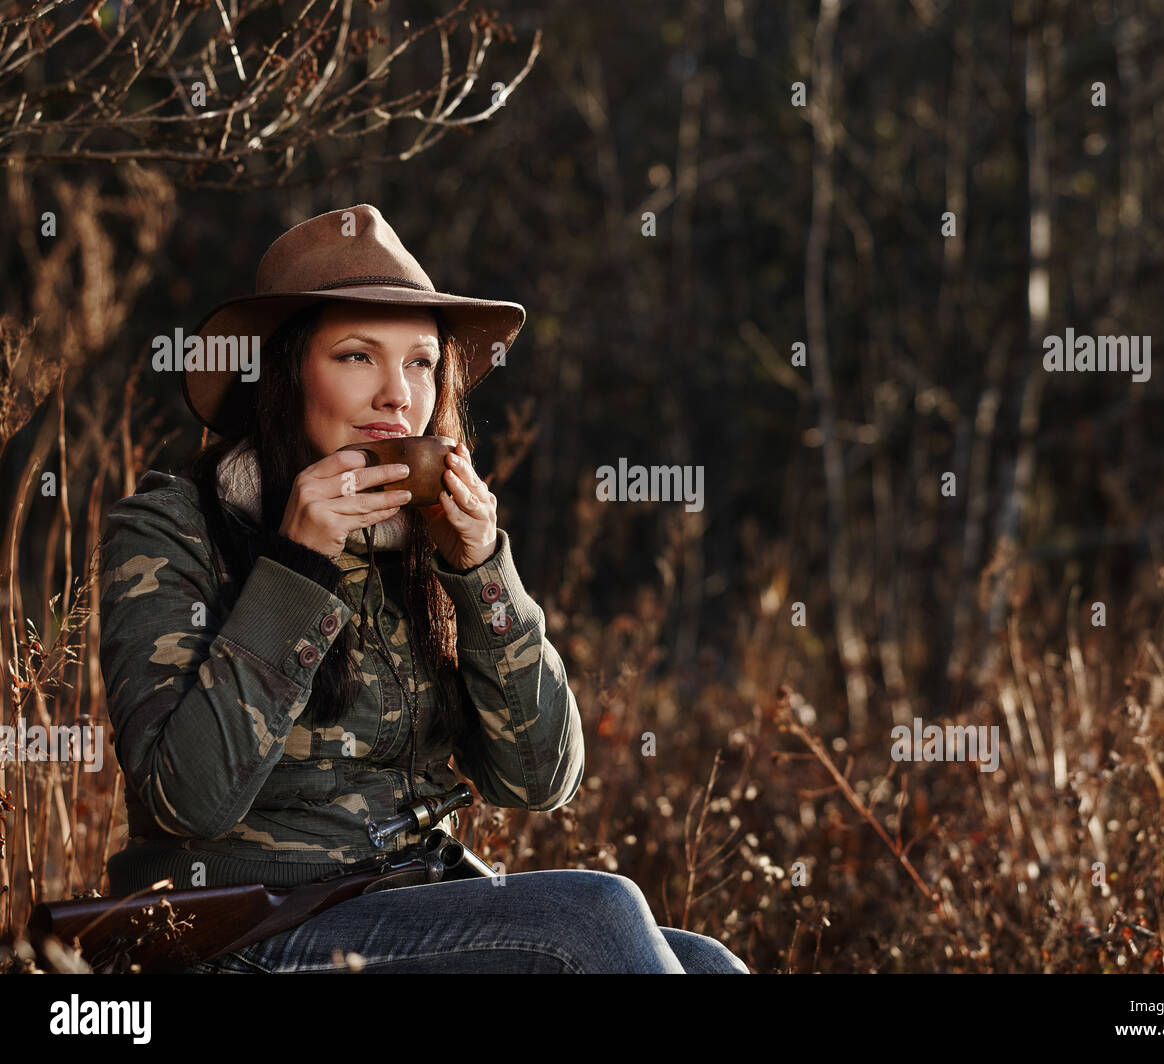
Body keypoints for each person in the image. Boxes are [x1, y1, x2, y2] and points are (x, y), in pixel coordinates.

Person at [97, 204, 749, 974]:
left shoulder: (424, 541)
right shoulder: (176, 527)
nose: (397, 396)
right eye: (356, 357)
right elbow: (188, 802)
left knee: (709, 963)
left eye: (420, 362)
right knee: (596, 917)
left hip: (411, 902)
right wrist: (297, 567)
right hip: (236, 933)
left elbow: (542, 781)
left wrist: (481, 573)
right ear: (281, 375)